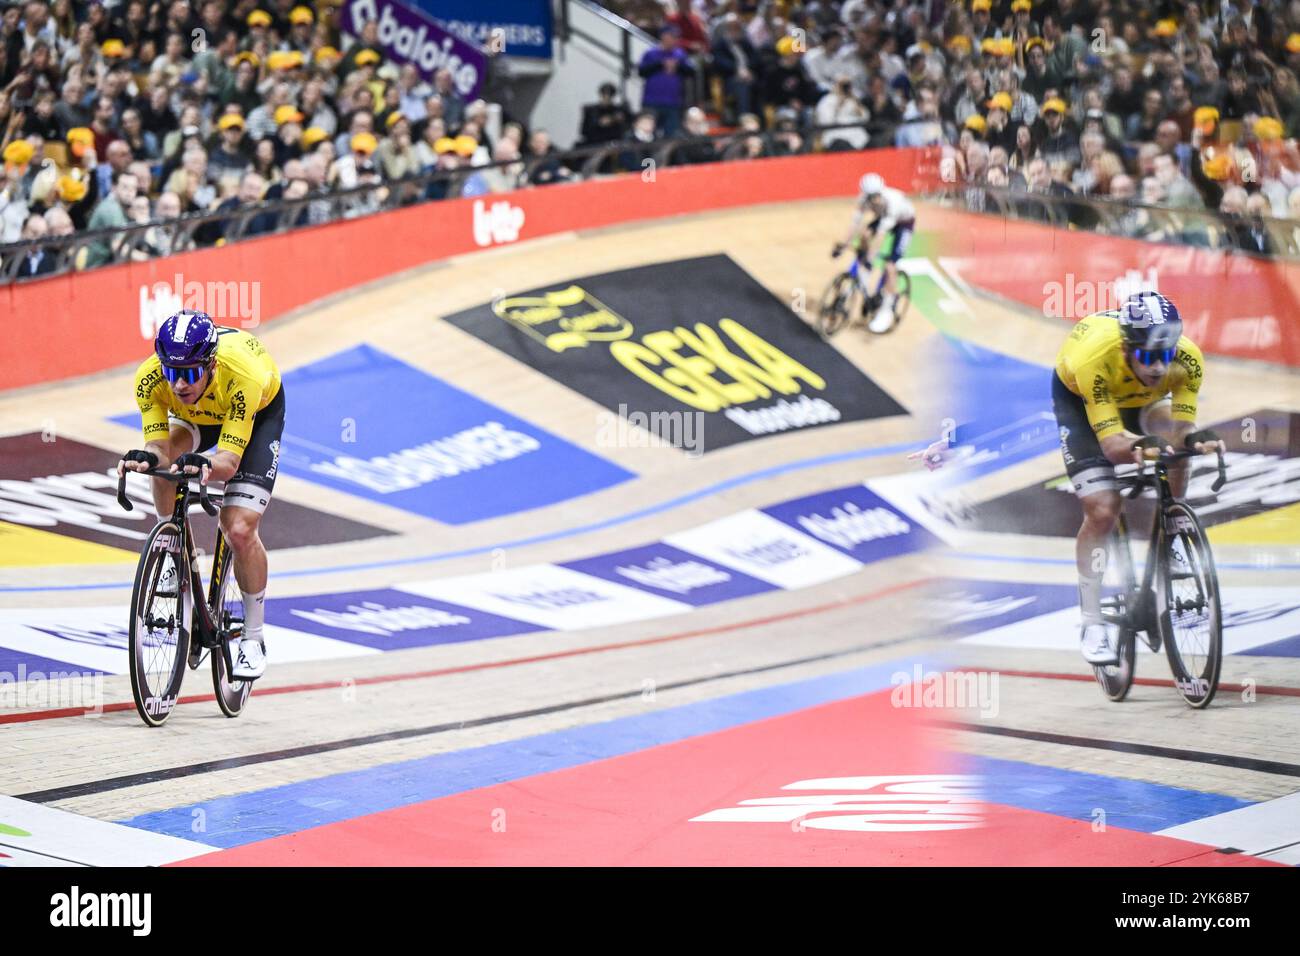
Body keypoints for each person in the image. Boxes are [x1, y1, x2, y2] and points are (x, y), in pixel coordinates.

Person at [1051, 293, 1224, 666]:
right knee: (1104, 507)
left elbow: (1181, 428)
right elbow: (1114, 447)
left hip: (1138, 399)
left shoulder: (1188, 360)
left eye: (1165, 355)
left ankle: (1173, 530)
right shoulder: (1094, 359)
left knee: (1177, 450)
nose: (1159, 367)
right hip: (1082, 404)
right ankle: (1092, 620)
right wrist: (1141, 446)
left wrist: (1191, 439)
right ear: (1128, 347)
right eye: (1148, 356)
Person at [119, 310, 286, 681]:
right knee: (166, 469)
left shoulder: (243, 377)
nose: (179, 385)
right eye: (172, 373)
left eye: (190, 373)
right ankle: (170, 556)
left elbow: (226, 462)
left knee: (238, 527)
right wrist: (149, 458)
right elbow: (159, 448)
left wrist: (206, 464)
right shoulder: (149, 379)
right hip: (200, 415)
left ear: (210, 364)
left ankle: (254, 636)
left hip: (254, 417)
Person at [835, 172, 915, 332]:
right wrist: (843, 245)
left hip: (904, 223)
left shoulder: (891, 202)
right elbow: (855, 225)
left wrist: (871, 256)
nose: (874, 200)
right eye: (871, 197)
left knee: (890, 267)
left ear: (881, 191)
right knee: (864, 234)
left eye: (876, 196)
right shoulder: (863, 200)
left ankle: (887, 309)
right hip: (885, 218)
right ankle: (866, 270)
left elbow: (880, 236)